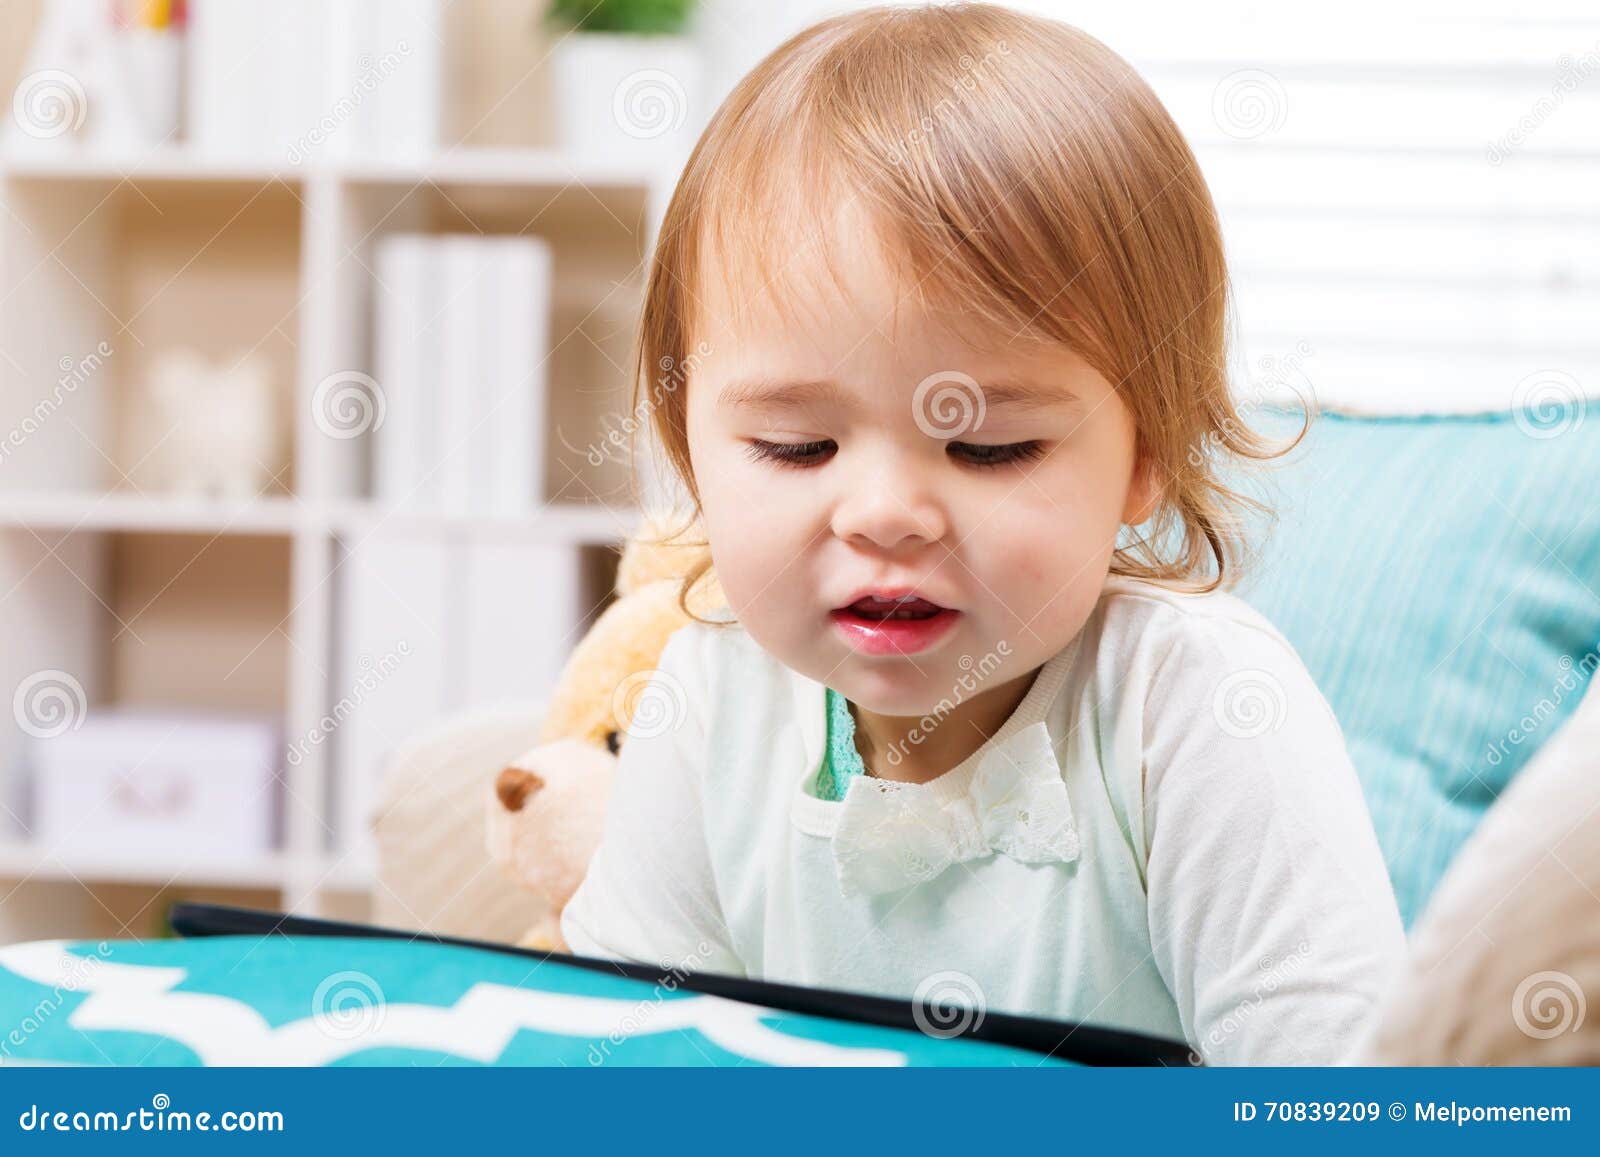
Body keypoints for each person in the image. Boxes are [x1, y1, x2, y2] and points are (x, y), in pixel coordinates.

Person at [561, 1, 1405, 1066]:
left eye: (989, 447)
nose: (882, 513)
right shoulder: (704, 697)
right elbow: (619, 1065)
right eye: (793, 445)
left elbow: (1336, 1096)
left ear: (1147, 453)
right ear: (691, 452)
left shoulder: (1193, 708)